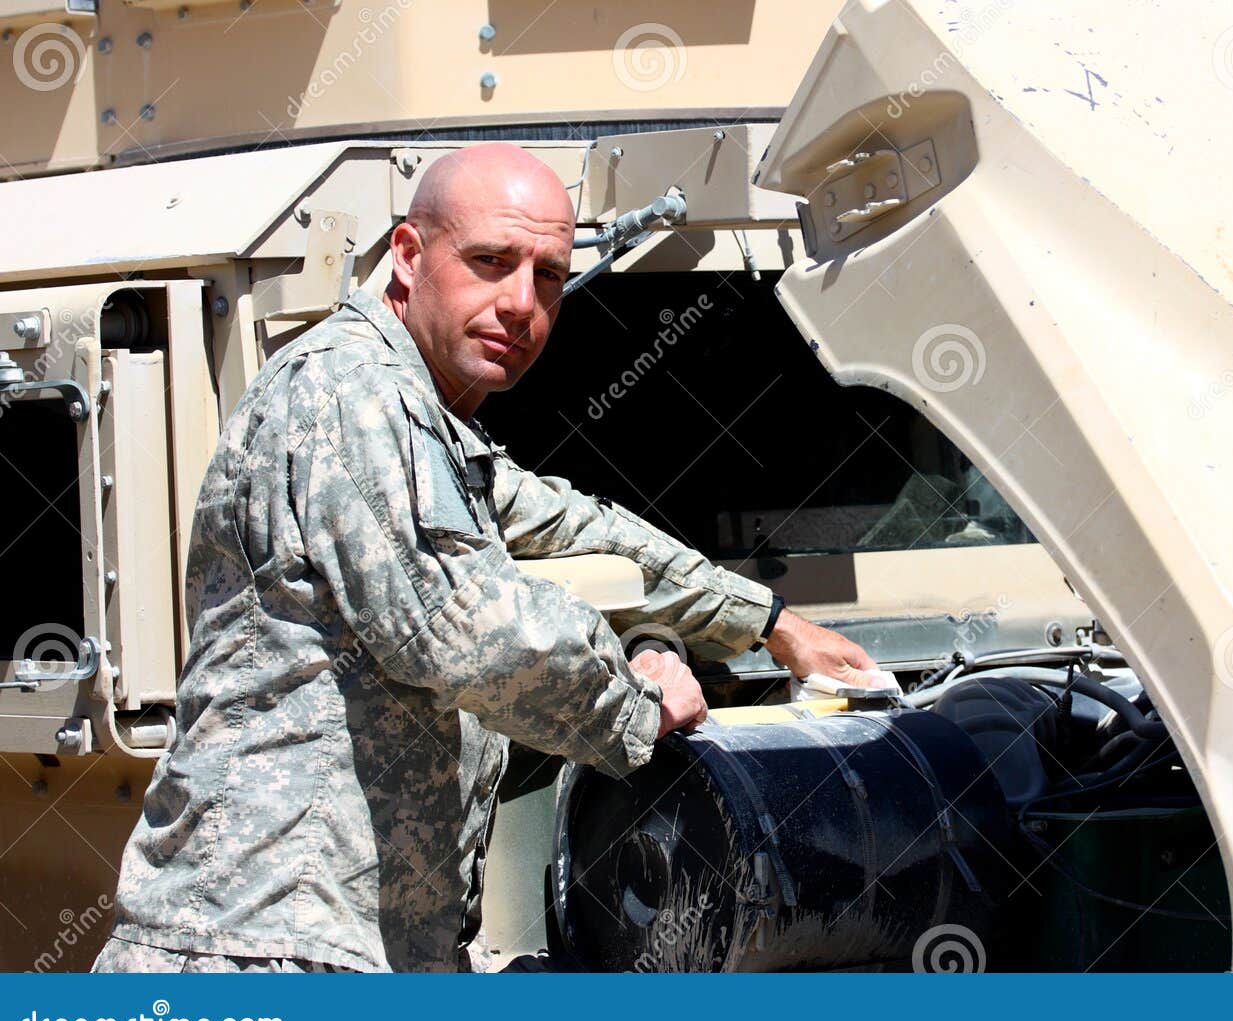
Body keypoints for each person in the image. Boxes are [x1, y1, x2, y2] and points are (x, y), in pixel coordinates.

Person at [93, 143, 880, 973]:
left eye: (547, 275)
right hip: (253, 952)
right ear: (407, 256)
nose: (521, 303)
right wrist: (637, 699)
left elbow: (574, 525)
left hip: (353, 949)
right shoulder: (347, 393)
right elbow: (460, 624)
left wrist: (764, 619)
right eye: (491, 262)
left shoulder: (424, 423)